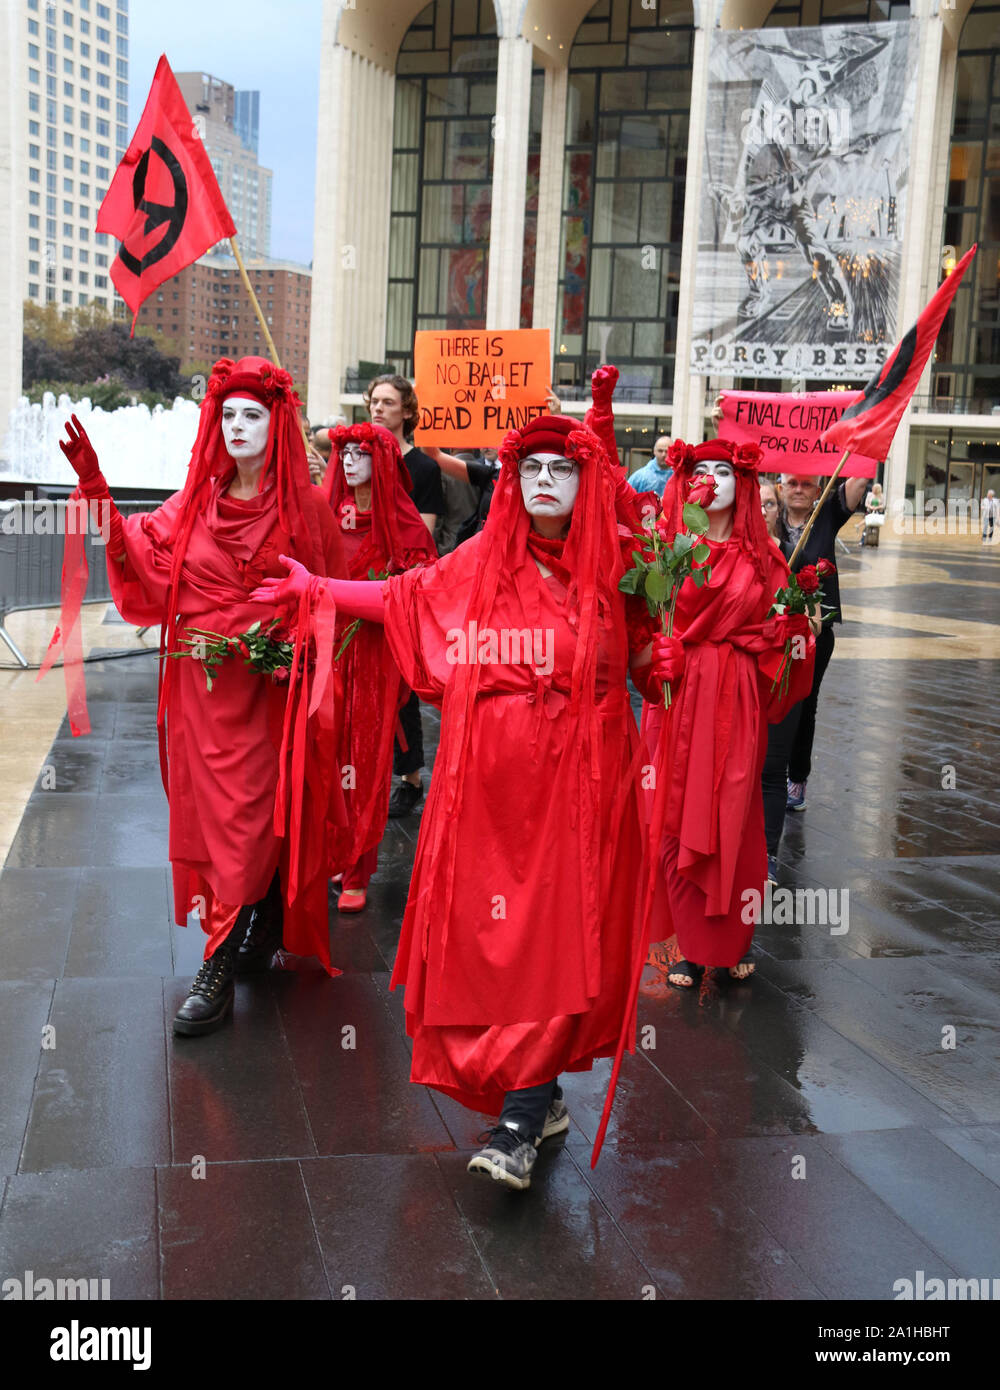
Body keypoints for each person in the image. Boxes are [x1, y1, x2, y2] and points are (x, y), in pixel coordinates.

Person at [250, 403, 661, 1192]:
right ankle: (532, 1097)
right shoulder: (483, 559)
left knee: (555, 941)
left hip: (580, 793)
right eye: (532, 469)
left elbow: (642, 656)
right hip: (489, 795)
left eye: (562, 469)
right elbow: (405, 599)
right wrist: (317, 590)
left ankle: (520, 1115)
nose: (545, 481)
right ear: (513, 480)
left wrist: (662, 658)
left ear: (585, 482)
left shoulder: (617, 563)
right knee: (494, 945)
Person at [55, 357, 348, 1036]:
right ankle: (246, 927)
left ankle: (217, 959)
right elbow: (135, 554)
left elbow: (335, 596)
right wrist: (93, 482)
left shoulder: (305, 510)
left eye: (254, 414)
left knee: (252, 819)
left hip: (271, 695)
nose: (238, 426)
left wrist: (296, 642)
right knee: (220, 824)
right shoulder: (196, 502)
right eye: (228, 414)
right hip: (204, 695)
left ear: (278, 424)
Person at [640, 441, 814, 990]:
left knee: (733, 816)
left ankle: (731, 942)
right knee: (672, 815)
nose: (711, 478)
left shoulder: (765, 557)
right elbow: (639, 629)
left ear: (743, 485)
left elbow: (786, 642)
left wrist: (788, 635)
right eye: (700, 469)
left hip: (736, 697)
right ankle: (686, 947)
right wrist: (653, 654)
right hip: (677, 695)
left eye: (723, 470)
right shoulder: (665, 551)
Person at [322, 422, 436, 912]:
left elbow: (421, 592)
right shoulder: (328, 514)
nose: (348, 461)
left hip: (373, 656)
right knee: (324, 757)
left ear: (382, 461)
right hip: (326, 648)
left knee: (366, 762)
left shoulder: (403, 523)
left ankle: (357, 867)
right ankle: (330, 849)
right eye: (343, 452)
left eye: (360, 453)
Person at [363, 374, 444, 818]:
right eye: (374, 401)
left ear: (407, 412)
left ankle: (409, 775)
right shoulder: (359, 457)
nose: (378, 408)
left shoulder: (424, 470)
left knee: (402, 686)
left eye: (388, 402)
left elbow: (424, 535)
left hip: (401, 586)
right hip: (360, 582)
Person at [778, 472, 866, 812]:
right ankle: (766, 774)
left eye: (805, 484)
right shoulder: (769, 518)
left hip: (814, 633)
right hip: (769, 629)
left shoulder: (826, 513)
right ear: (781, 487)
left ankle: (796, 778)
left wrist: (867, 436)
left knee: (804, 702)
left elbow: (858, 483)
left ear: (818, 489)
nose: (798, 490)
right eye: (792, 484)